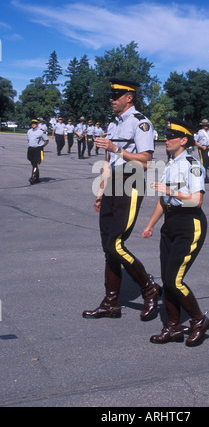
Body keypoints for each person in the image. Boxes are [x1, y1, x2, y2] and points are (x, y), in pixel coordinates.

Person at [82, 78, 161, 322]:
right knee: (108, 248)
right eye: (111, 94)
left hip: (131, 182)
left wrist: (118, 150)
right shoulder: (113, 123)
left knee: (116, 243)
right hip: (112, 185)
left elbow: (145, 160)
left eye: (117, 94)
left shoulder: (141, 123)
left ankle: (149, 288)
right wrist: (100, 189)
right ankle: (111, 303)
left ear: (130, 97)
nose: (112, 98)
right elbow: (107, 161)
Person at [142, 117, 209, 346]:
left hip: (189, 224)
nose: (166, 139)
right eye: (166, 135)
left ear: (183, 140)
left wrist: (173, 191)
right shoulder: (170, 163)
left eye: (171, 136)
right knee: (167, 279)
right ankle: (172, 327)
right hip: (170, 224)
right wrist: (151, 225)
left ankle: (199, 320)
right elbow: (163, 200)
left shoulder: (192, 164)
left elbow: (197, 200)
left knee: (175, 280)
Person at [27, 119, 49, 184]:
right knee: (33, 163)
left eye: (35, 123)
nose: (33, 124)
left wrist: (41, 146)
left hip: (38, 149)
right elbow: (28, 140)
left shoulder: (41, 131)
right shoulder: (29, 131)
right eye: (32, 123)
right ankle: (37, 178)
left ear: (37, 124)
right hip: (30, 149)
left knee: (36, 163)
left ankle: (33, 177)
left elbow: (46, 140)